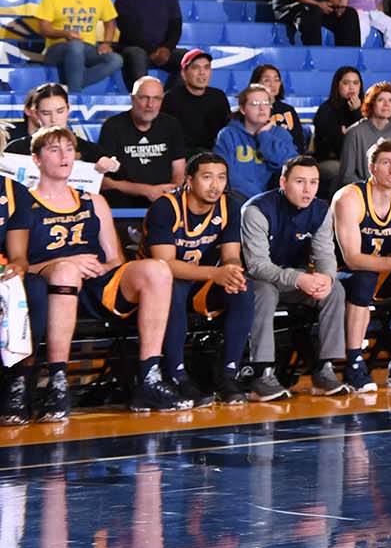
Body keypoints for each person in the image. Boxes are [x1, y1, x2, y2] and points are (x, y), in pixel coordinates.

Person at [6, 126, 188, 419]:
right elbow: (22, 262)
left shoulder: (92, 199)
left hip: (96, 284)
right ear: (36, 160)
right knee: (66, 271)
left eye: (69, 150)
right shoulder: (24, 202)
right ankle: (58, 382)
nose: (64, 156)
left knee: (157, 270)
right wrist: (69, 262)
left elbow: (114, 258)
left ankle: (149, 376)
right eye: (54, 150)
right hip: (50, 285)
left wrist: (98, 267)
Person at [310, 138, 391, 391]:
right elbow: (352, 259)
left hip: (386, 268)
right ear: (372, 166)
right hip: (342, 273)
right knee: (364, 277)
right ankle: (354, 365)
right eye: (386, 163)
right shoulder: (349, 198)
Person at [142, 153, 255, 405]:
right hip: (154, 288)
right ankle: (177, 375)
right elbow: (166, 265)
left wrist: (233, 271)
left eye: (221, 178)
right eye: (207, 177)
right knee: (175, 287)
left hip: (200, 281)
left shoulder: (230, 206)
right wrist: (216, 273)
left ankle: (228, 375)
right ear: (189, 180)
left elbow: (230, 255)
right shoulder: (165, 207)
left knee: (244, 288)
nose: (215, 185)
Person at [241, 157, 350, 399]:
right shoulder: (256, 210)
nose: (308, 189)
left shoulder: (321, 210)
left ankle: (324, 369)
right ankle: (262, 373)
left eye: (313, 182)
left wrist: (327, 279)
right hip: (250, 279)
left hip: (290, 279)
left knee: (336, 290)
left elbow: (325, 255)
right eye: (300, 182)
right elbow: (257, 266)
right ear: (283, 182)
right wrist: (299, 279)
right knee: (266, 292)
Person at [33, 0, 124, 93]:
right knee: (76, 45)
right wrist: (65, 33)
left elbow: (110, 23)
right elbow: (43, 28)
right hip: (57, 49)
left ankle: (73, 86)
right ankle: (75, 94)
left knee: (116, 59)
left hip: (88, 49)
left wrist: (106, 43)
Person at [96, 76, 187, 209]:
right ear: (132, 99)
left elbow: (179, 173)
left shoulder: (171, 125)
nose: (150, 105)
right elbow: (103, 182)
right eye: (144, 97)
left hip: (164, 199)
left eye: (156, 98)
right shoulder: (113, 126)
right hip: (123, 202)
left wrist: (171, 194)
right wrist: (147, 191)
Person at [215, 84, 300, 200]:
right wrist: (258, 198)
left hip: (275, 199)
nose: (262, 108)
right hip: (239, 196)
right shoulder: (228, 135)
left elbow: (294, 166)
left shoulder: (280, 134)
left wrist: (264, 136)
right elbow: (225, 173)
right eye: (255, 104)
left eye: (266, 103)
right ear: (243, 109)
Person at [113, 0, 181, 89]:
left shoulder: (171, 0)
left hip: (162, 51)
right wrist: (154, 51)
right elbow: (128, 31)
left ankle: (167, 100)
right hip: (134, 48)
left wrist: (167, 48)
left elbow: (176, 29)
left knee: (190, 59)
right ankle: (144, 97)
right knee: (136, 53)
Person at [338, 81, 391, 189]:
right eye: (381, 100)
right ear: (371, 104)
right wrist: (372, 191)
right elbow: (347, 177)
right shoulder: (354, 132)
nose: (386, 104)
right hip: (362, 194)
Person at [162, 48, 231, 153]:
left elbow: (226, 132)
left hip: (214, 156)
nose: (202, 73)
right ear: (184, 74)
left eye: (206, 67)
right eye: (195, 68)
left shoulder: (218, 97)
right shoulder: (171, 99)